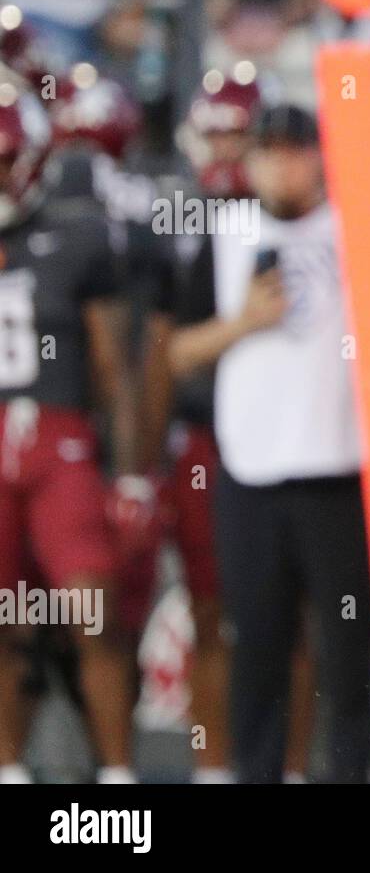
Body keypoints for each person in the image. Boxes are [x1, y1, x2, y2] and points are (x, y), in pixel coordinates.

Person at [167, 103, 370, 783]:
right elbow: (176, 352)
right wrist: (244, 322)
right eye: (270, 151)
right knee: (257, 650)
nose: (283, 165)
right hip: (250, 476)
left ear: (320, 155)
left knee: (347, 658)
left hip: (340, 472)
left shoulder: (359, 229)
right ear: (249, 160)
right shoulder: (224, 233)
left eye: (296, 150)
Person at [0, 86, 138, 784]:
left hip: (61, 441)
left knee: (94, 613)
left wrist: (132, 472)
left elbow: (115, 369)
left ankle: (115, 776)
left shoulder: (78, 233)